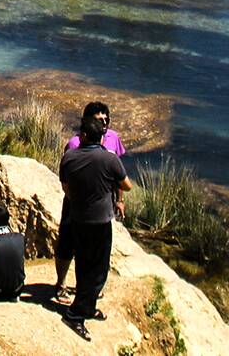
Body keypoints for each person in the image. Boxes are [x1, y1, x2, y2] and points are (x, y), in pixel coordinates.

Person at [58, 111, 133, 340]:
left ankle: (87, 306)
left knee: (82, 263)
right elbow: (127, 185)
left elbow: (66, 187)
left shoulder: (69, 158)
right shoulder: (109, 160)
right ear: (100, 138)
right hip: (100, 221)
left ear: (82, 137)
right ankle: (76, 313)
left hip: (78, 217)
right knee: (98, 270)